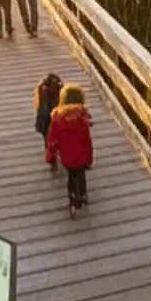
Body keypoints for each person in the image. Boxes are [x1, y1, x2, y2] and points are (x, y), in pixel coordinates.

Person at [45, 84, 93, 216]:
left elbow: (52, 143)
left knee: (71, 177)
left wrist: (50, 157)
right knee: (81, 175)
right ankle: (83, 195)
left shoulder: (57, 122)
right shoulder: (83, 121)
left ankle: (72, 201)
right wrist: (89, 158)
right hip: (82, 158)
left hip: (67, 159)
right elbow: (87, 142)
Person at [33, 73, 64, 170]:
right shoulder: (58, 98)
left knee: (48, 142)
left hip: (44, 123)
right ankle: (58, 155)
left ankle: (52, 158)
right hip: (53, 122)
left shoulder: (41, 96)